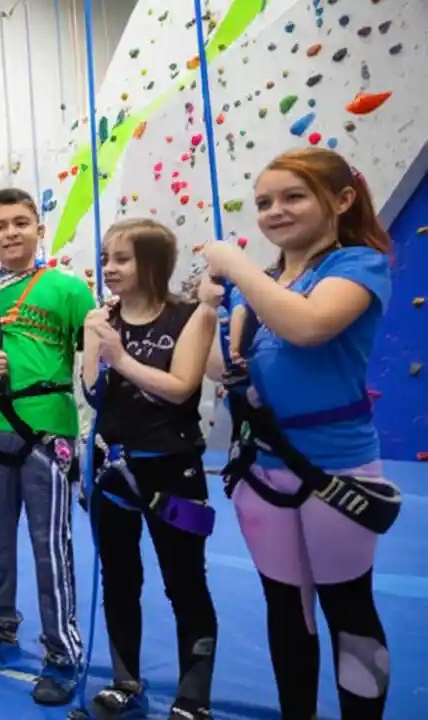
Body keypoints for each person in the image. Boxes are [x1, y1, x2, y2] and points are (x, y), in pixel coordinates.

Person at [201, 147, 398, 719]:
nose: (274, 212)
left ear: (340, 201)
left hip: (334, 467)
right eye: (264, 202)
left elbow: (309, 326)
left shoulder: (357, 265)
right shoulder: (259, 284)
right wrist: (208, 308)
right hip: (261, 468)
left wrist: (235, 269)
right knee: (286, 607)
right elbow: (221, 368)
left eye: (293, 197)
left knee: (347, 606)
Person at [0, 188, 95, 706]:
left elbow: (97, 351)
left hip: (47, 432)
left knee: (49, 543)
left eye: (20, 223)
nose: (10, 233)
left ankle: (60, 650)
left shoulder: (68, 290)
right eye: (1, 225)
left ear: (38, 228)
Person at [81, 219, 218, 719]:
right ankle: (125, 679)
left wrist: (118, 356)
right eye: (107, 258)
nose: (109, 268)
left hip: (170, 469)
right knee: (120, 578)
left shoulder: (190, 315)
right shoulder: (101, 318)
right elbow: (94, 393)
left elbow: (181, 387)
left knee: (184, 581)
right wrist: (95, 347)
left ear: (153, 264)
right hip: (114, 469)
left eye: (122, 259)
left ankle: (192, 697)